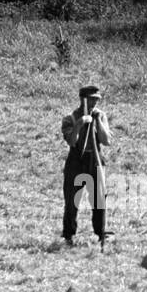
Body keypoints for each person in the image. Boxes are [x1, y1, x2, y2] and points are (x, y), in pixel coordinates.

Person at [60, 84, 112, 246]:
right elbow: (71, 141)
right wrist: (80, 124)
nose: (94, 103)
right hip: (76, 161)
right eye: (91, 99)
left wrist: (97, 122)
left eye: (96, 100)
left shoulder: (101, 116)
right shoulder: (70, 118)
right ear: (82, 100)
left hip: (95, 160)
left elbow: (106, 140)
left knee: (99, 199)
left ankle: (101, 232)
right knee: (71, 199)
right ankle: (68, 234)